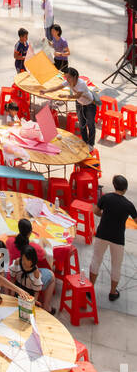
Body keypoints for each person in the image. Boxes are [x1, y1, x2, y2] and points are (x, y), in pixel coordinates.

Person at [90, 174, 137, 302]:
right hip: (118, 238)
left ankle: (90, 289)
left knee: (96, 260)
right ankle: (112, 292)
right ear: (125, 189)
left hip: (102, 234)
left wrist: (103, 215)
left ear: (114, 185)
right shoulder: (128, 205)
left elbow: (96, 211)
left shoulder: (106, 198)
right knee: (116, 265)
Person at [12, 220, 55, 311]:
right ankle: (46, 307)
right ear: (30, 232)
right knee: (51, 276)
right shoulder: (33, 248)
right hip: (28, 281)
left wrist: (11, 295)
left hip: (17, 279)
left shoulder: (10, 241)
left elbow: (12, 276)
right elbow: (37, 288)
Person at [63, 66, 97, 147]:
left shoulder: (81, 83)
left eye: (69, 77)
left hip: (90, 105)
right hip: (79, 104)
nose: (67, 79)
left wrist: (66, 96)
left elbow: (77, 96)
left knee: (90, 124)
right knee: (82, 124)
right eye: (66, 77)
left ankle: (91, 144)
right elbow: (58, 86)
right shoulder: (69, 81)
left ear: (74, 77)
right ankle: (84, 142)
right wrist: (46, 91)